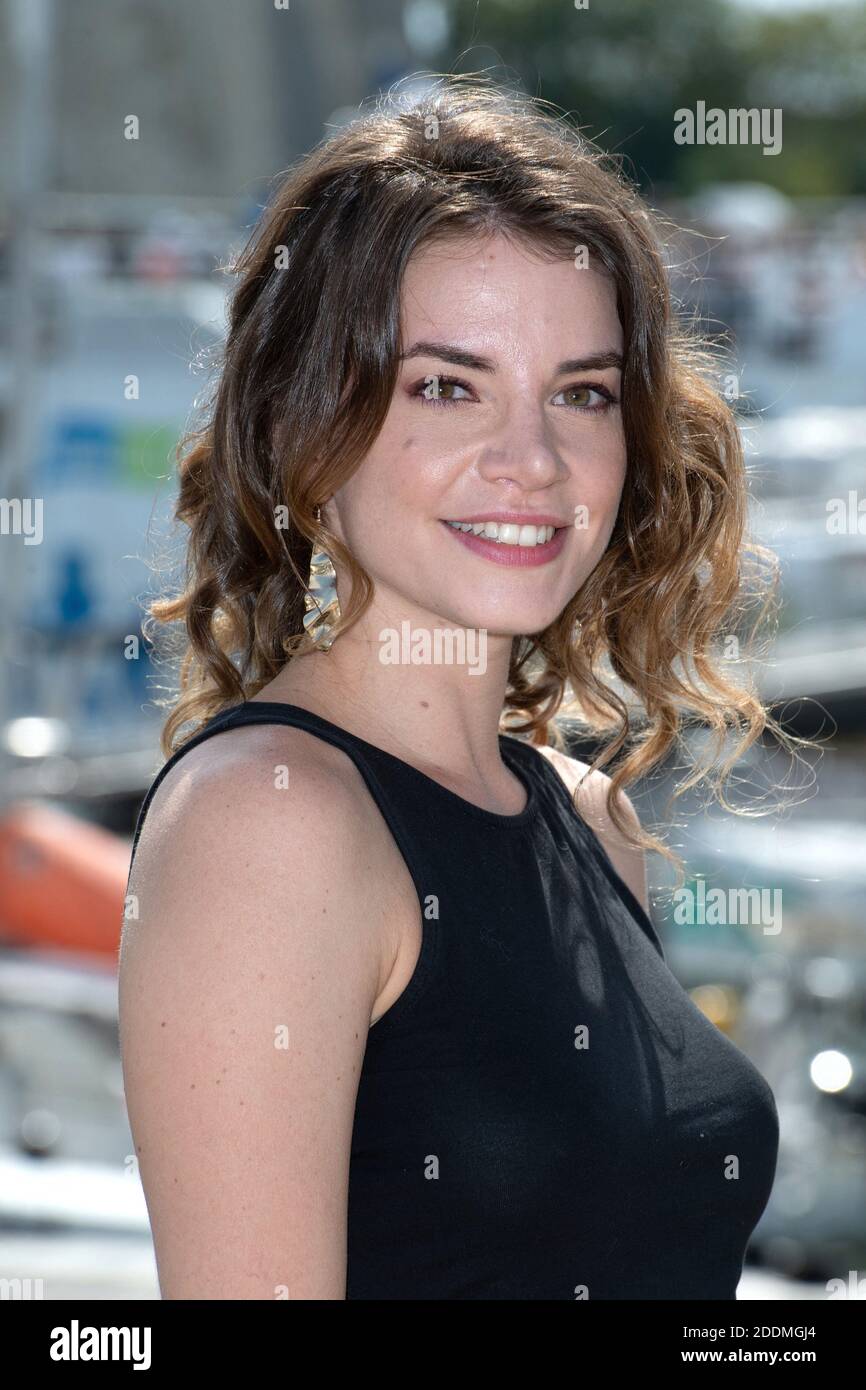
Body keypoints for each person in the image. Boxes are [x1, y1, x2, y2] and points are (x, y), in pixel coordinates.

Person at [118, 75, 793, 1300]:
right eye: (446, 384)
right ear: (301, 428)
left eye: (580, 393)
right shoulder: (269, 821)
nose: (531, 460)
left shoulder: (590, 822)